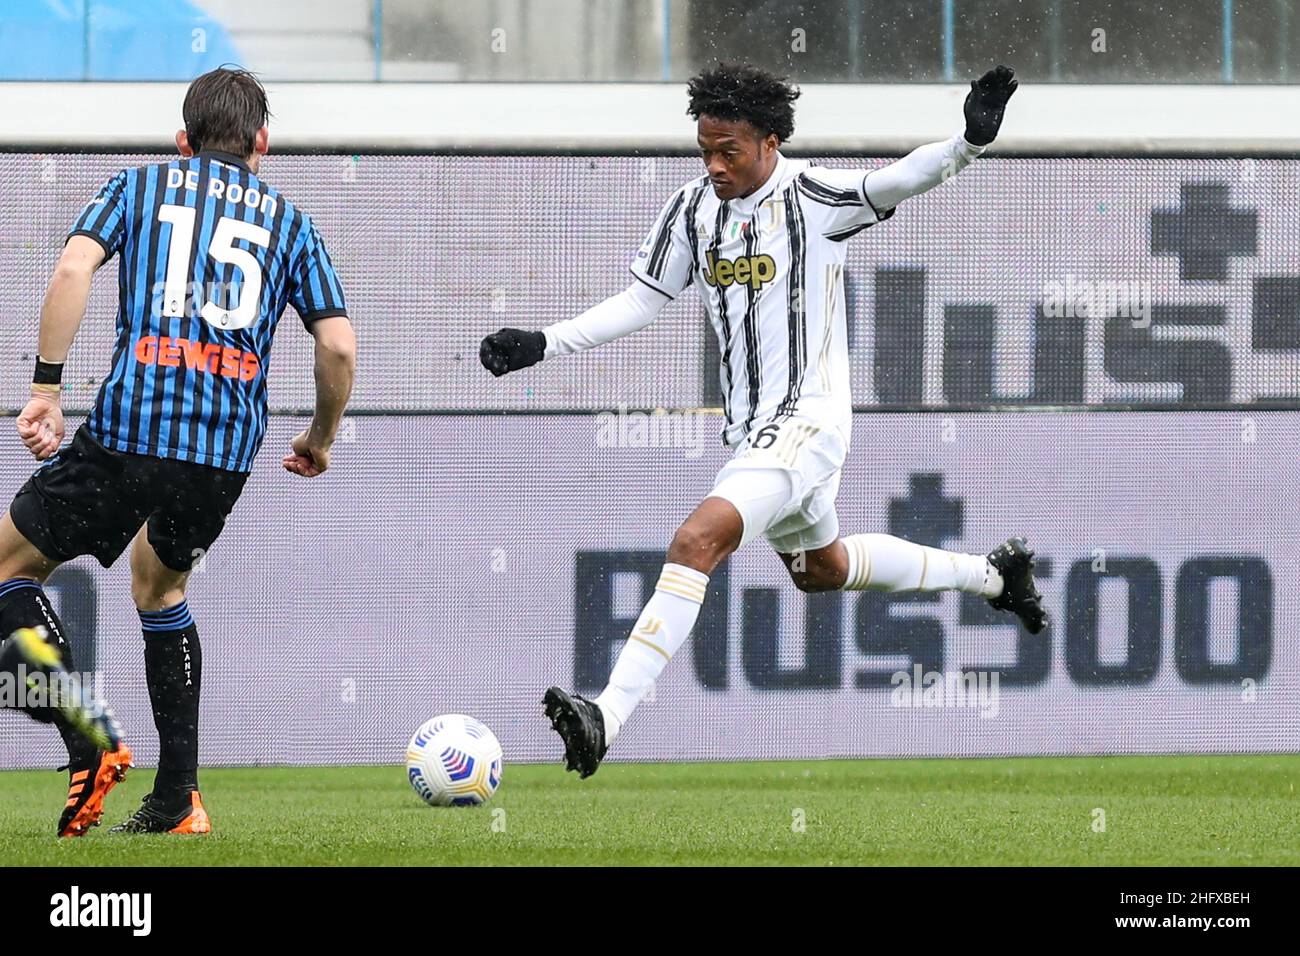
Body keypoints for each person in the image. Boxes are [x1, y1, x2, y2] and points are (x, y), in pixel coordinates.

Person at [481, 63, 1044, 779]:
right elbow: (641, 300)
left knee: (696, 539)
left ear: (771, 142)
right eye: (705, 149)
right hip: (753, 433)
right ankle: (994, 577)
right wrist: (544, 341)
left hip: (808, 421)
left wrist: (967, 143)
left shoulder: (812, 196)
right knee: (821, 570)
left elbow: (898, 179)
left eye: (730, 151)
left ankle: (608, 715)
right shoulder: (691, 210)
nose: (715, 165)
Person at [0, 66, 356, 833]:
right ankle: (178, 800)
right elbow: (338, 349)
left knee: (5, 568)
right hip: (224, 452)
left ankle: (87, 738)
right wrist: (319, 438)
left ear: (182, 138)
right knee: (160, 587)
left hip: (134, 428)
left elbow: (73, 268)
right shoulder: (292, 223)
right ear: (261, 141)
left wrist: (48, 391)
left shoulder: (139, 184)